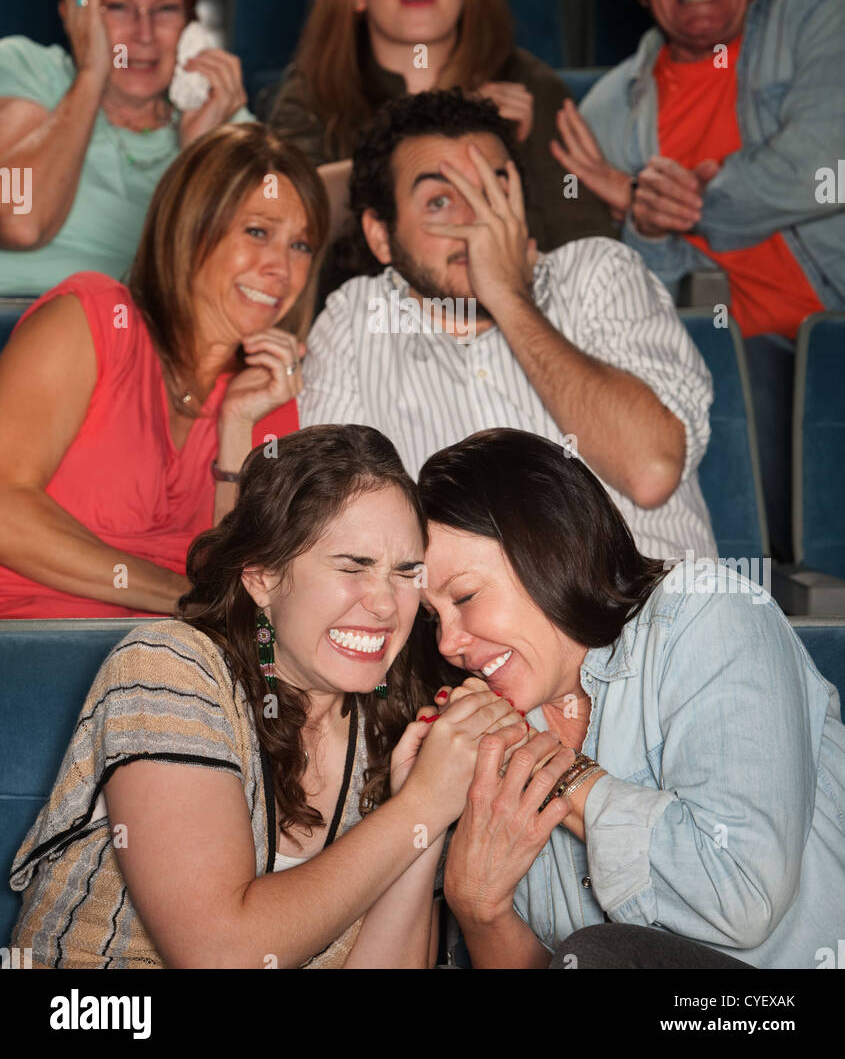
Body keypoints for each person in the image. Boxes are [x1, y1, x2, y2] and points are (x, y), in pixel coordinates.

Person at [9, 426, 526, 969]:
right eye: (352, 566)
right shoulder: (167, 666)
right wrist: (419, 806)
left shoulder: (391, 719)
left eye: (404, 572)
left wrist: (426, 812)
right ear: (261, 577)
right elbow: (219, 954)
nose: (384, 604)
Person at [416, 427, 845, 969]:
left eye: (465, 597)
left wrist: (566, 780)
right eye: (433, 617)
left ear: (551, 547)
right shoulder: (491, 729)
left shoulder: (704, 613)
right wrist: (480, 910)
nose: (448, 643)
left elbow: (744, 895)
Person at [551, 0, 845, 558]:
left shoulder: (819, 2)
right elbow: (633, 296)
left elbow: (825, 164)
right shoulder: (606, 114)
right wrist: (645, 224)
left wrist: (688, 202)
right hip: (725, 360)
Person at [299, 88, 716, 562]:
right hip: (456, 633)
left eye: (492, 190)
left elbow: (649, 472)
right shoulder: (356, 318)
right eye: (439, 202)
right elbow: (335, 532)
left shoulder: (601, 272)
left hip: (650, 624)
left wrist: (509, 296)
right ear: (381, 235)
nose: (476, 220)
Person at [0, 122, 327, 619]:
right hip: (25, 645)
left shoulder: (268, 396)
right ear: (191, 226)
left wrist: (236, 427)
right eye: (257, 231)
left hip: (169, 669)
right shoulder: (92, 319)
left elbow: (239, 582)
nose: (280, 267)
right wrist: (183, 599)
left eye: (300, 245)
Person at [256, 0, 615, 281]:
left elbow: (589, 258)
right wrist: (437, 141)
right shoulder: (313, 90)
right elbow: (284, 218)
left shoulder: (529, 85)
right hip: (362, 335)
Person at [0, 0, 251, 294]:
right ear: (73, 14)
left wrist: (198, 154)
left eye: (166, 9)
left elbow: (235, 283)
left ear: (191, 26)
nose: (144, 34)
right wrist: (91, 75)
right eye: (118, 7)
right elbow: (20, 219)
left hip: (139, 343)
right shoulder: (27, 69)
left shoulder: (220, 111)